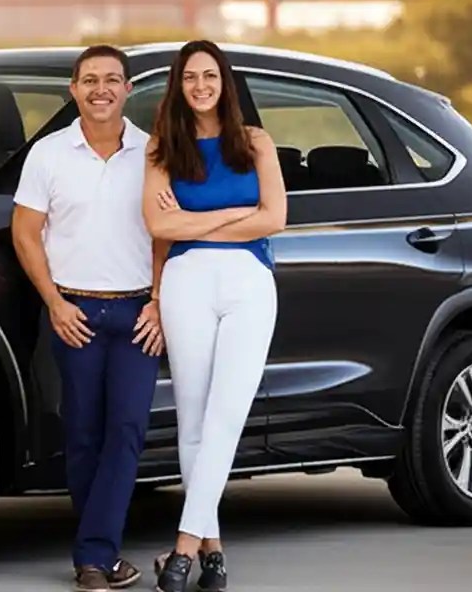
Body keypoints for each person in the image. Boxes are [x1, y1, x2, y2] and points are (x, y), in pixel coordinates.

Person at [12, 44, 169, 592]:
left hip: (136, 314)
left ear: (129, 90)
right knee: (81, 436)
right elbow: (25, 232)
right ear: (73, 90)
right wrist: (54, 302)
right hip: (73, 311)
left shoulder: (153, 154)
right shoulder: (49, 154)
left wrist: (159, 302)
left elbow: (166, 238)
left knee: (125, 430)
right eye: (89, 80)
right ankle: (102, 554)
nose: (101, 89)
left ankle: (93, 558)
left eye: (112, 80)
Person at [140, 40, 287, 592]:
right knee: (193, 420)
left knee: (226, 415)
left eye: (210, 75)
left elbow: (275, 217)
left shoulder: (255, 142)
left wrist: (196, 219)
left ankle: (181, 549)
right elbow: (159, 229)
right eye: (189, 77)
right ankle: (214, 555)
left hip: (249, 284)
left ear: (224, 82)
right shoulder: (162, 148)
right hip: (184, 283)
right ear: (177, 85)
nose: (200, 86)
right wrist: (235, 214)